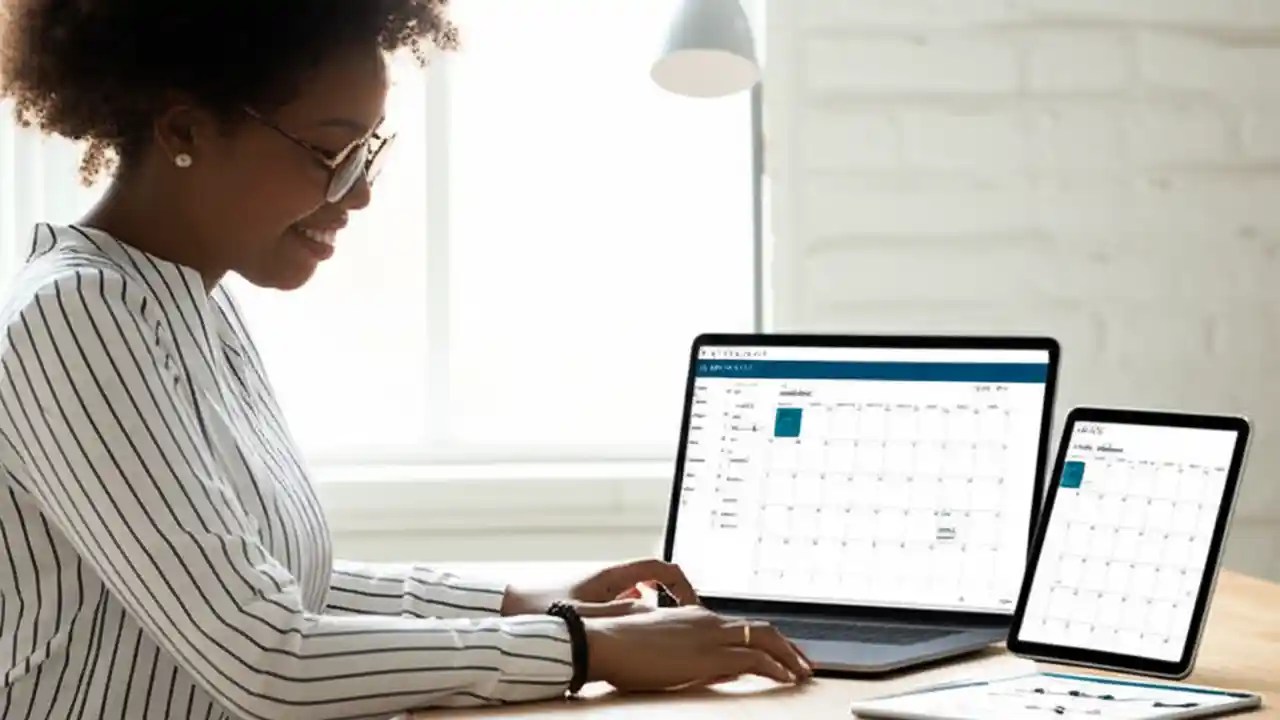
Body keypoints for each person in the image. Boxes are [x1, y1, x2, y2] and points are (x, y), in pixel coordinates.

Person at [0, 1, 812, 718]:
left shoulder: (190, 308)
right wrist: (576, 650)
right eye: (329, 150)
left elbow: (269, 582)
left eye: (367, 152)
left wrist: (526, 601)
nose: (356, 192)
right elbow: (266, 657)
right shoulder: (78, 316)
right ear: (182, 131)